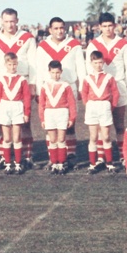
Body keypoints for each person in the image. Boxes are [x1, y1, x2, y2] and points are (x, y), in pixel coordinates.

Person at [0, 8, 37, 169]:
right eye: (6, 21)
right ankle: (5, 157)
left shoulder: (27, 38)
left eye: (12, 21)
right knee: (3, 124)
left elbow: (33, 64)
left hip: (21, 84)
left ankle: (27, 156)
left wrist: (33, 84)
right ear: (1, 21)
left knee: (25, 122)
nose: (9, 24)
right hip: (2, 86)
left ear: (17, 21)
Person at [85, 12, 127, 168]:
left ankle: (122, 155)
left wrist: (121, 83)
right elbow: (89, 66)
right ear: (100, 27)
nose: (107, 29)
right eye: (104, 26)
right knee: (101, 126)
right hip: (99, 91)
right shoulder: (93, 44)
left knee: (119, 124)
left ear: (115, 26)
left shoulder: (123, 44)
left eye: (110, 26)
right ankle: (101, 157)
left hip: (118, 87)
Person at [37, 16, 85, 165]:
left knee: (69, 124)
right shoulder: (43, 46)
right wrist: (39, 90)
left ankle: (69, 154)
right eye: (55, 28)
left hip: (69, 87)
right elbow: (39, 70)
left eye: (61, 28)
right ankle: (54, 158)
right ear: (50, 30)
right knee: (51, 126)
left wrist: (82, 88)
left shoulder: (74, 45)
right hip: (49, 88)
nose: (59, 31)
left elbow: (81, 69)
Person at [0, 52, 31, 175]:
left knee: (17, 137)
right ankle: (8, 164)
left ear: (17, 64)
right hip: (4, 107)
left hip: (17, 107)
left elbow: (27, 97)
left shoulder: (22, 79)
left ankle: (18, 163)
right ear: (5, 64)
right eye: (10, 64)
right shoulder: (1, 79)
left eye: (14, 64)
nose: (12, 67)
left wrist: (26, 113)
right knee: (7, 138)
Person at [81, 50, 120, 174]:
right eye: (95, 63)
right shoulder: (87, 78)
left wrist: (111, 106)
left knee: (106, 136)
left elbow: (115, 93)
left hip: (105, 106)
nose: (98, 65)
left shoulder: (109, 77)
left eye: (100, 62)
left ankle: (109, 163)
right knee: (93, 136)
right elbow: (84, 93)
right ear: (91, 63)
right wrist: (88, 105)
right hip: (92, 106)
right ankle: (93, 164)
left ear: (103, 63)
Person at [38, 60, 77, 174]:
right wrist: (42, 119)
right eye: (53, 72)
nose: (56, 75)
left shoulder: (66, 85)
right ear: (49, 72)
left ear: (61, 72)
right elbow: (41, 104)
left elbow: (71, 103)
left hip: (62, 113)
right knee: (53, 139)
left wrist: (72, 118)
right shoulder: (45, 86)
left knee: (61, 139)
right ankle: (54, 163)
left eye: (58, 72)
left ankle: (61, 163)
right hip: (49, 113)